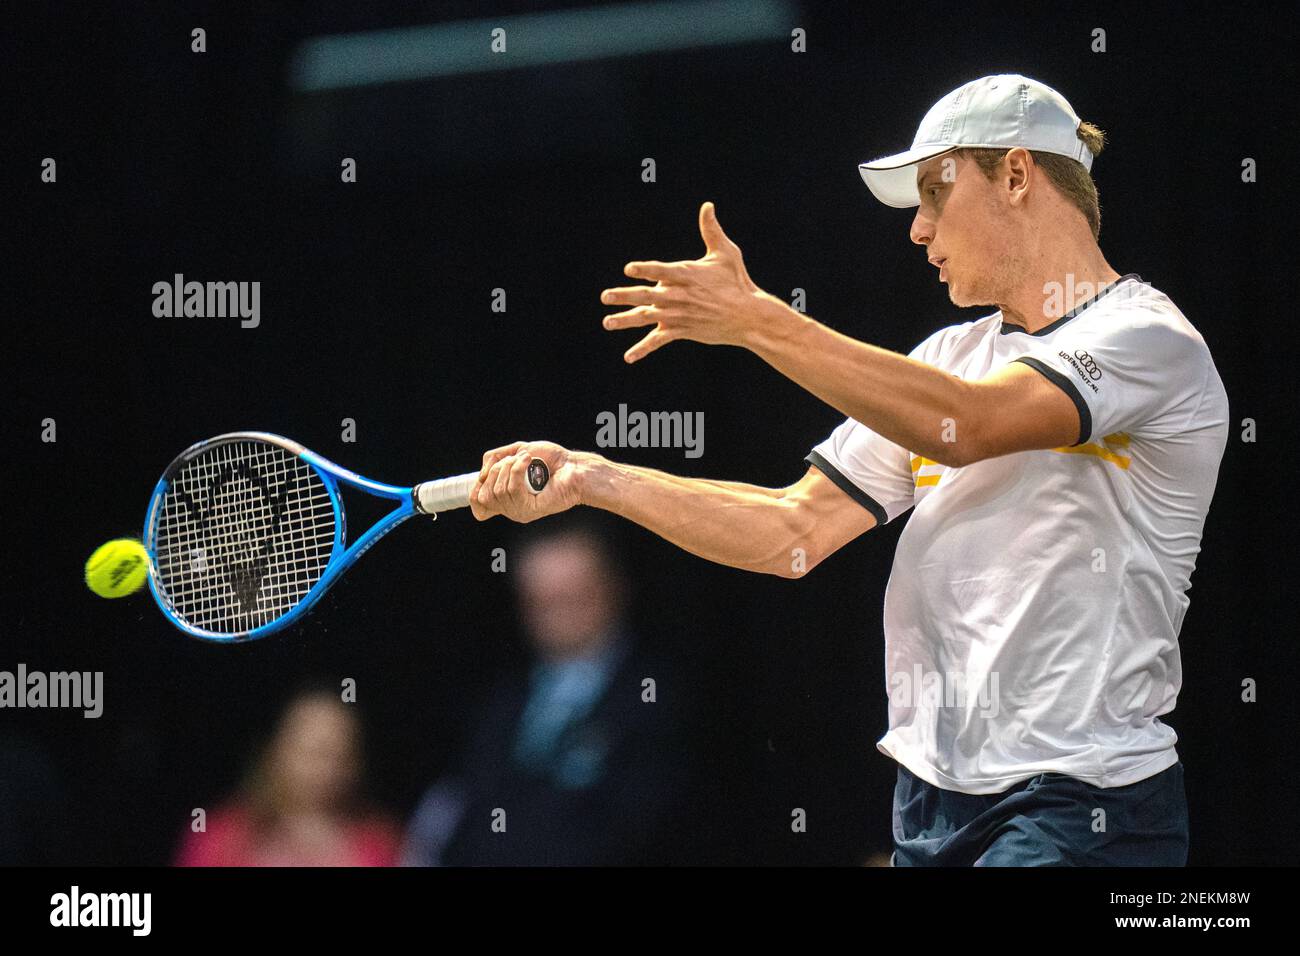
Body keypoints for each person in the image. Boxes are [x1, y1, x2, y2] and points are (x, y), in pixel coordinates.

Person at [467, 74, 1229, 866]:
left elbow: (967, 424)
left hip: (1082, 806)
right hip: (931, 807)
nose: (919, 229)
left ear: (1014, 174)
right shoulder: (949, 357)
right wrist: (594, 478)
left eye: (936, 191)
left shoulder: (1146, 339)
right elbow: (792, 530)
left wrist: (762, 323)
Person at [402, 513, 700, 866]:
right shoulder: (500, 703)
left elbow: (644, 829)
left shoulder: (656, 701)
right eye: (541, 604)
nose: (557, 619)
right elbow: (459, 818)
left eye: (573, 599)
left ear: (616, 587)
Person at [174, 684, 400, 866]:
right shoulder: (221, 837)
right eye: (313, 752)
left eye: (339, 755)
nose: (325, 768)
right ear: (276, 751)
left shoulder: (381, 841)